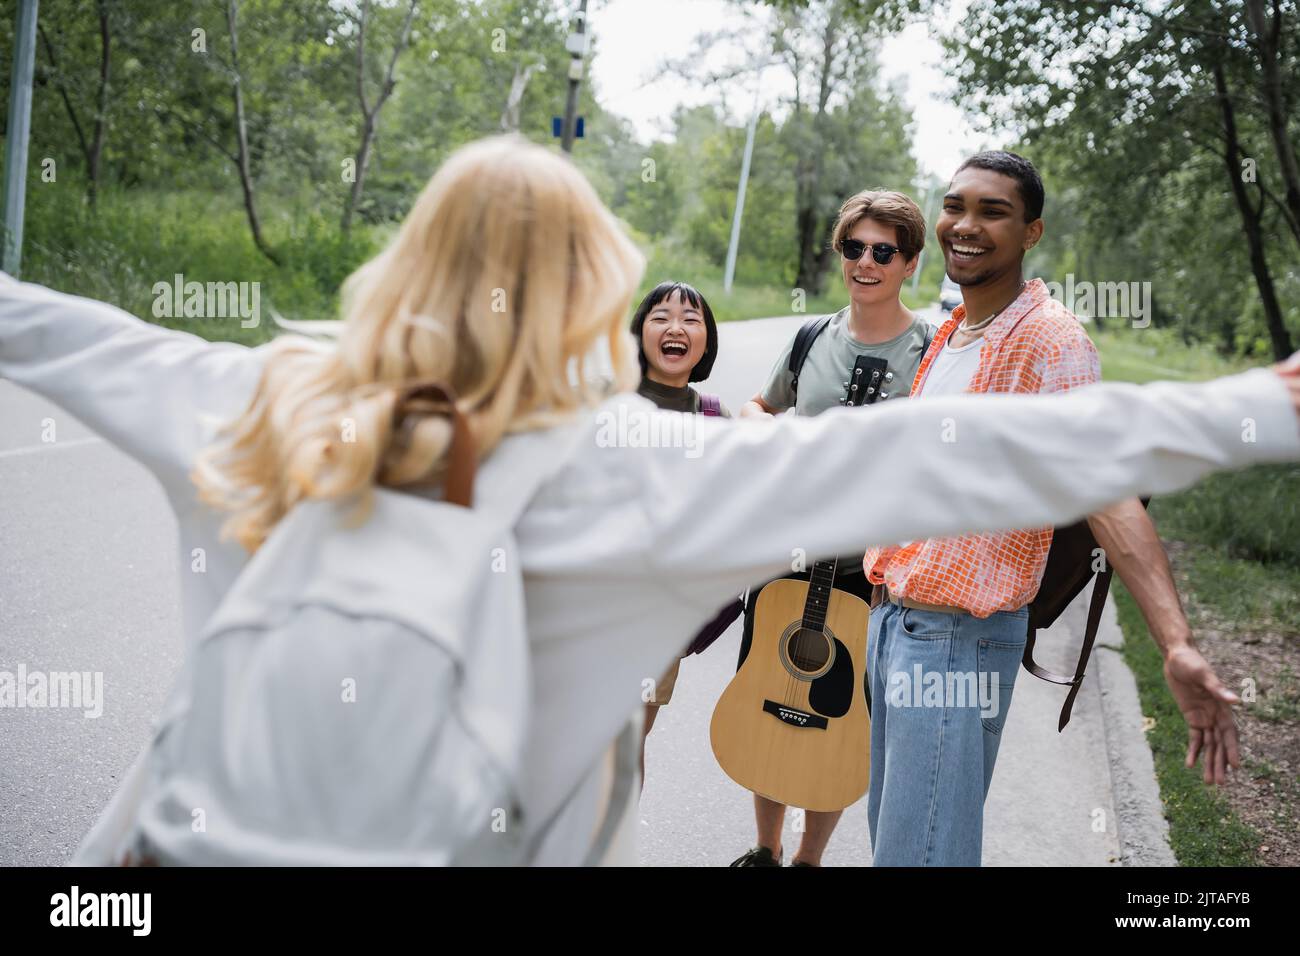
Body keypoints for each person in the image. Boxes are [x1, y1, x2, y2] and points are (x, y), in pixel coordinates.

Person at [2, 135, 1298, 866]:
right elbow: (951, 456)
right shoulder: (636, 460)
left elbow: (46, 328)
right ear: (593, 300)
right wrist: (1249, 407)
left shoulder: (248, 397)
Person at [861, 149, 1250, 867]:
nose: (965, 225)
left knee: (920, 855)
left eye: (993, 212)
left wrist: (1174, 642)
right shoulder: (953, 333)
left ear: (1031, 232)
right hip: (894, 626)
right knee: (901, 846)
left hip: (954, 642)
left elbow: (1108, 492)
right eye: (955, 206)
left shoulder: (1051, 340)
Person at [731, 189, 931, 867]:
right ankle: (765, 848)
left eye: (884, 251)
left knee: (837, 718)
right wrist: (776, 437)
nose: (866, 262)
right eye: (854, 247)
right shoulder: (812, 336)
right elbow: (758, 407)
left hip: (867, 574)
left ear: (910, 262)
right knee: (766, 694)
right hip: (782, 556)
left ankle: (809, 859)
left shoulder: (929, 352)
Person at [628, 280, 735, 785]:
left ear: (706, 341)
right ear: (639, 333)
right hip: (587, 605)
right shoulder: (607, 405)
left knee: (629, 740)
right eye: (661, 317)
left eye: (691, 320)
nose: (676, 327)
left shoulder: (714, 420)